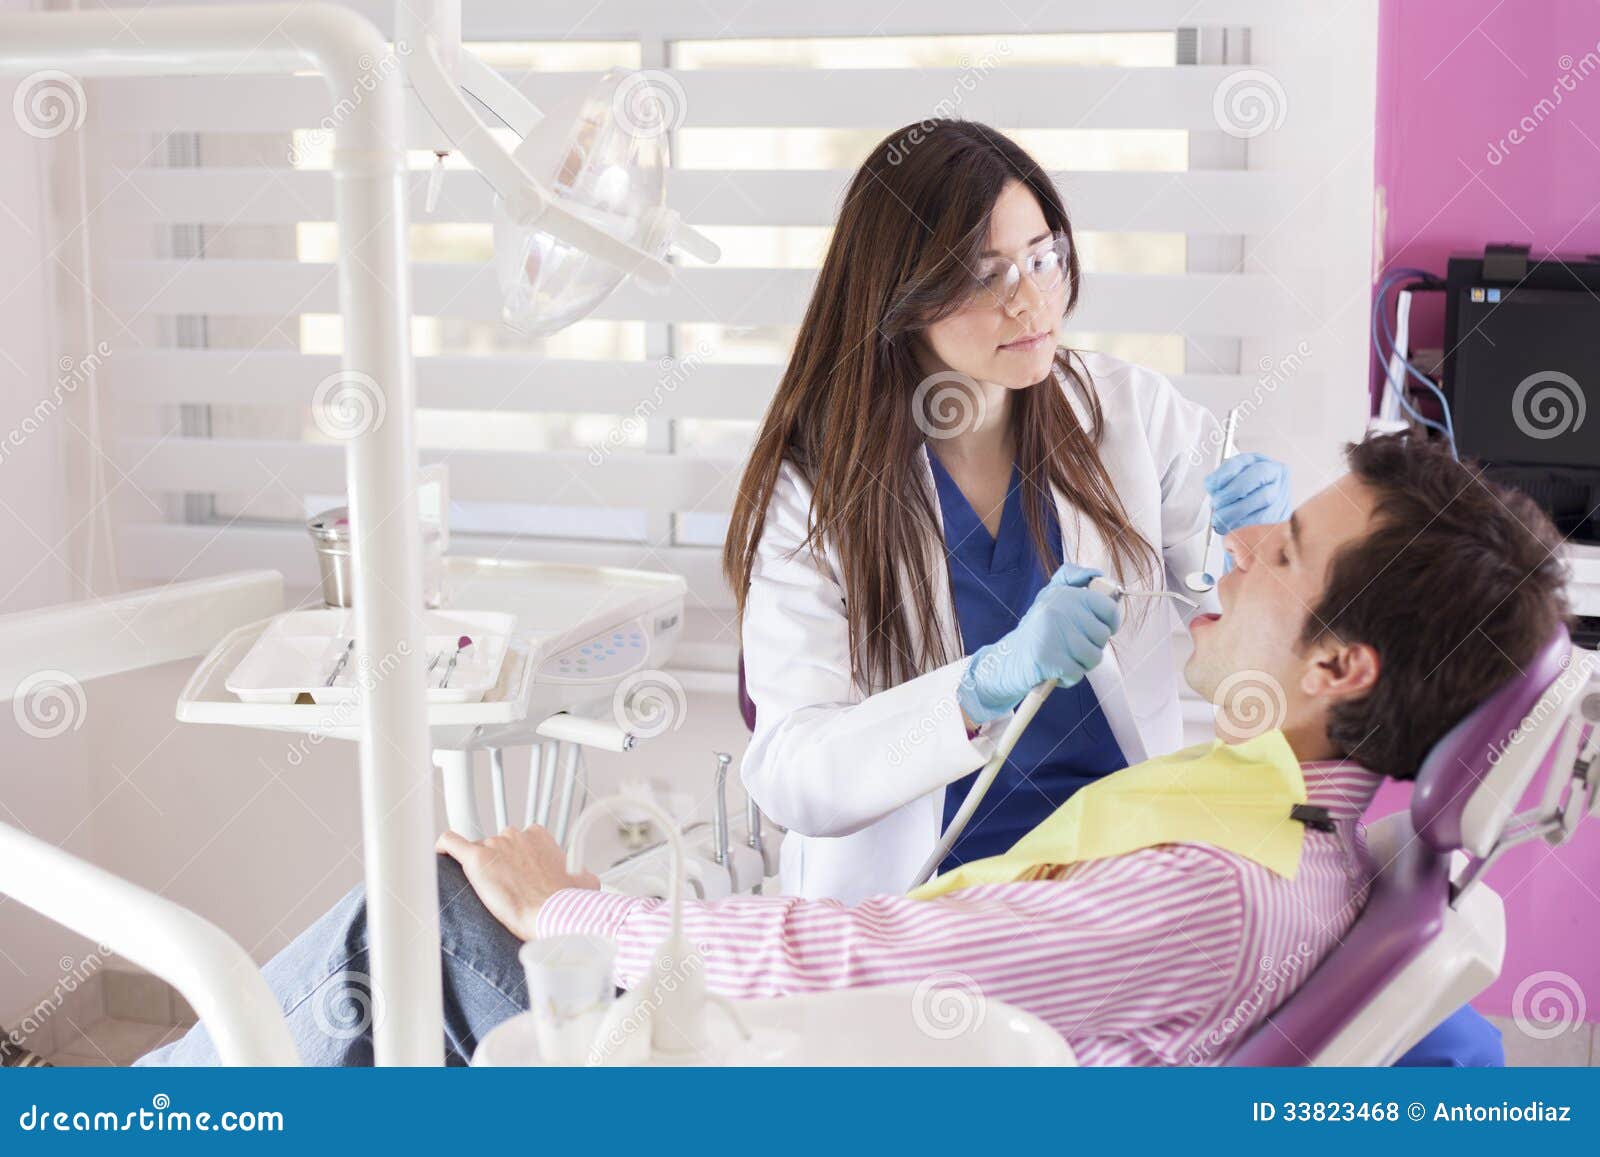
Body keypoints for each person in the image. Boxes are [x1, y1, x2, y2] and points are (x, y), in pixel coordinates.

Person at [138, 433, 1566, 1067]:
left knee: (420, 921)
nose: (1239, 545)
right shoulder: (1313, 820)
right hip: (869, 1017)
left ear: (1338, 668)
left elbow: (865, 971)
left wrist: (568, 912)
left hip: (833, 1068)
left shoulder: (1224, 884)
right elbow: (813, 783)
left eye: (1286, 548)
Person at [720, 119, 1291, 903]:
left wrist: (1258, 541)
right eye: (983, 275)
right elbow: (792, 775)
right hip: (923, 901)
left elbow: (1221, 600)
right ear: (899, 298)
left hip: (1114, 873)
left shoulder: (1132, 411)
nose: (1031, 302)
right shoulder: (817, 492)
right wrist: (984, 685)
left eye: (1042, 257)